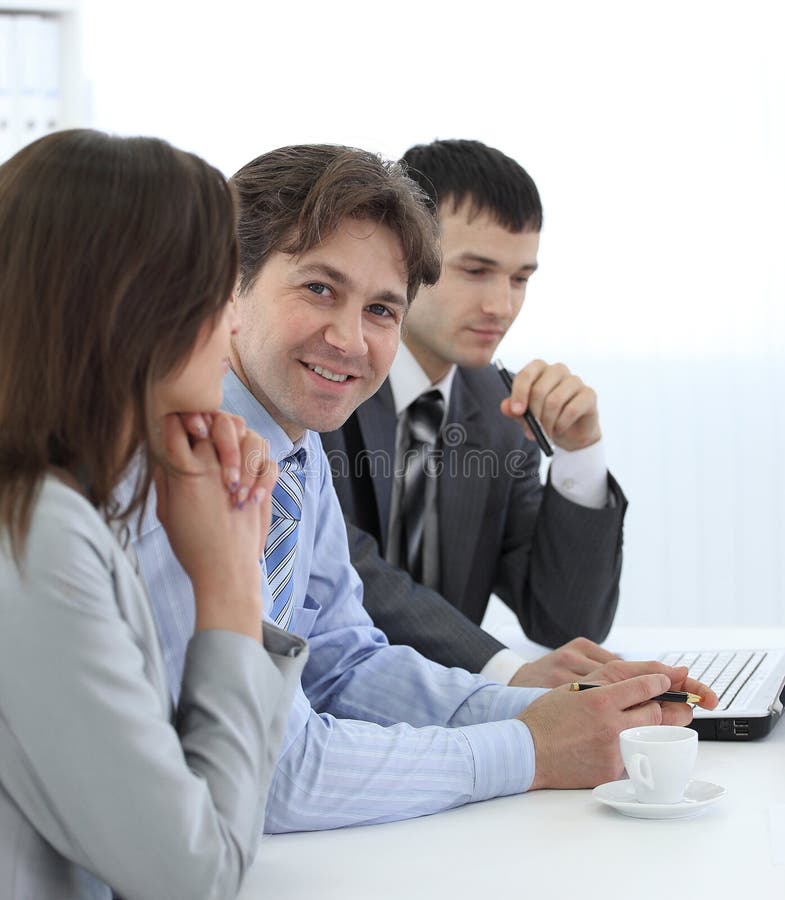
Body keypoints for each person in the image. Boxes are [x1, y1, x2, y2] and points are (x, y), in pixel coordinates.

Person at [133, 142, 717, 834]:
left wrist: (566, 714)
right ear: (229, 284)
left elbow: (342, 664)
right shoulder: (184, 456)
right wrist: (528, 748)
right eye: (319, 288)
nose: (349, 338)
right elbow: (270, 771)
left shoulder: (300, 447)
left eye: (381, 309)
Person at [0, 129, 307, 900]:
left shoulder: (72, 503)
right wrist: (232, 589)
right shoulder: (39, 530)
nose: (231, 326)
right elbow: (191, 873)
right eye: (217, 294)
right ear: (140, 311)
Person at [322, 138, 627, 688]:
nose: (502, 307)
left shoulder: (496, 405)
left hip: (456, 728)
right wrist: (507, 673)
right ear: (406, 257)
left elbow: (565, 618)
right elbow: (342, 568)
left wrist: (580, 455)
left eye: (520, 278)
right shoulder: (325, 375)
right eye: (475, 271)